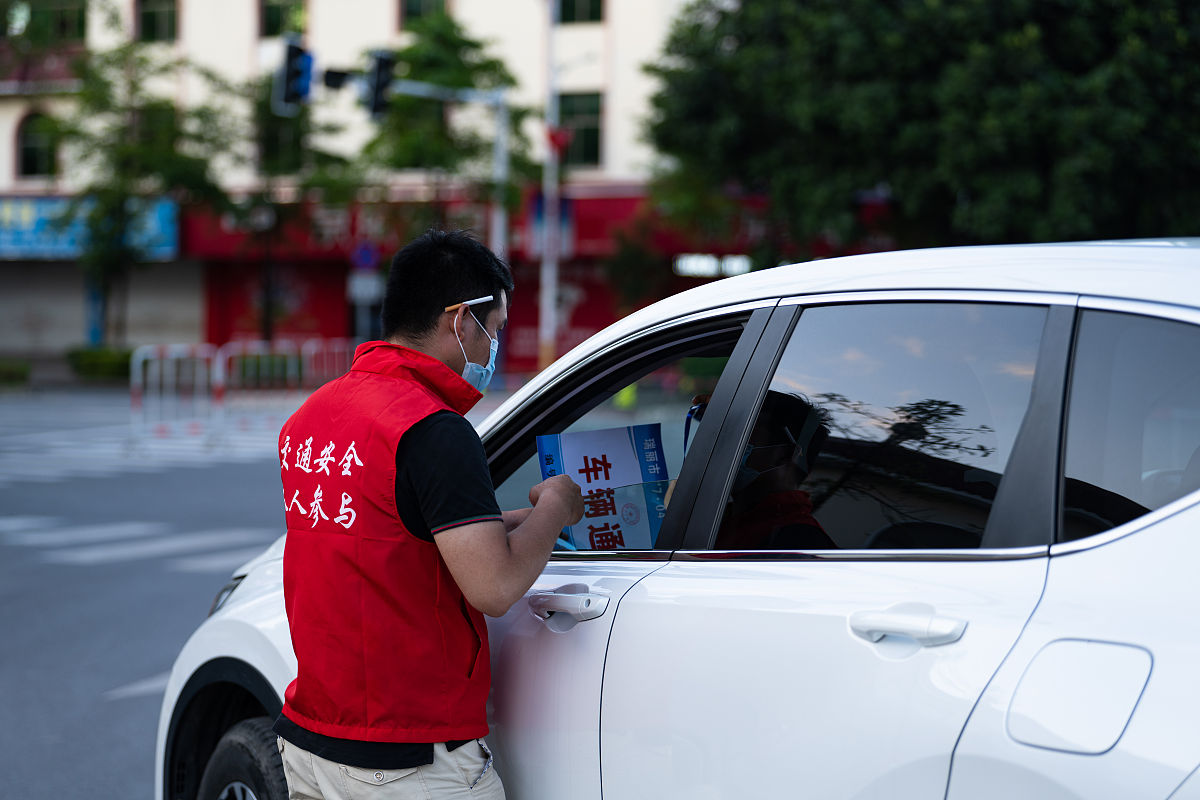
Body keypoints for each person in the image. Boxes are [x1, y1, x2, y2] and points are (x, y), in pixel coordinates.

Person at [273, 230, 584, 799]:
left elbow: (393, 530)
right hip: (408, 758)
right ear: (461, 320)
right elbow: (494, 587)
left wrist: (507, 521)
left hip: (314, 739)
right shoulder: (433, 429)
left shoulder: (313, 415)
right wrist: (556, 508)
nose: (493, 346)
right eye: (494, 328)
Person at [715, 391, 836, 550]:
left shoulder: (798, 544)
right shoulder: (719, 519)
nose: (725, 447)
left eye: (744, 436)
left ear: (785, 455)